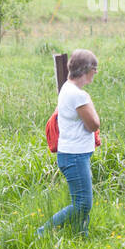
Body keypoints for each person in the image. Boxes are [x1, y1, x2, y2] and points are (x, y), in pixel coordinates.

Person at [38, 49, 101, 237]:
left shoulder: (67, 87)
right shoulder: (79, 95)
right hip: (75, 156)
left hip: (71, 154)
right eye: (95, 69)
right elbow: (93, 124)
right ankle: (43, 232)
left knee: (80, 201)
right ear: (87, 69)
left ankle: (81, 235)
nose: (95, 73)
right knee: (83, 203)